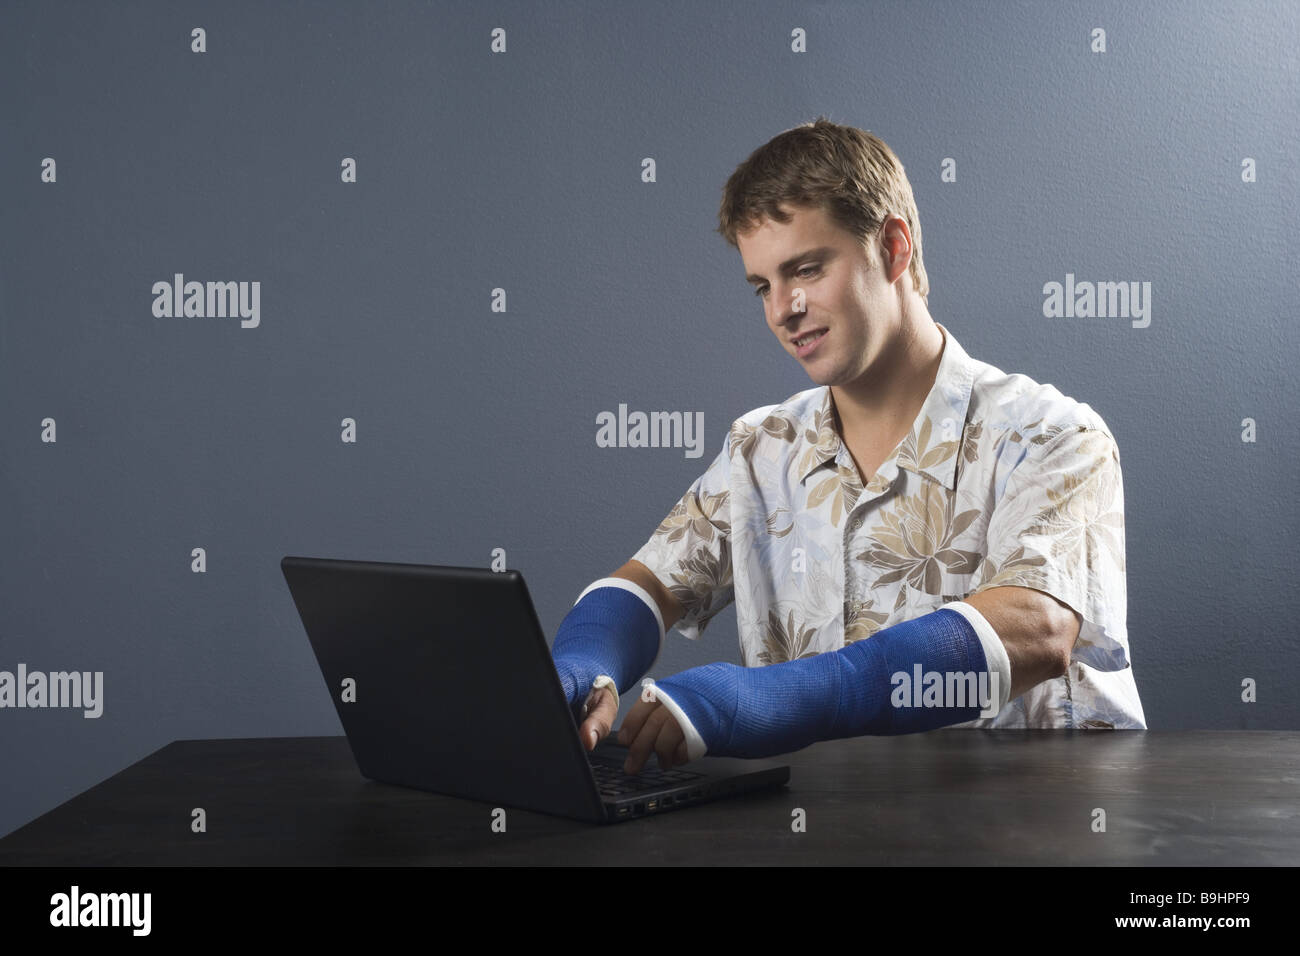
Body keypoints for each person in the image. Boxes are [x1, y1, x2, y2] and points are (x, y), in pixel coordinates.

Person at [551, 116, 1146, 776]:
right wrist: (586, 660)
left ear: (893, 248)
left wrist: (775, 697)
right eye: (763, 286)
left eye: (805, 270)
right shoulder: (761, 447)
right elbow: (650, 584)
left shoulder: (1052, 434)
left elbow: (1037, 628)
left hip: (1032, 831)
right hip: (822, 831)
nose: (782, 309)